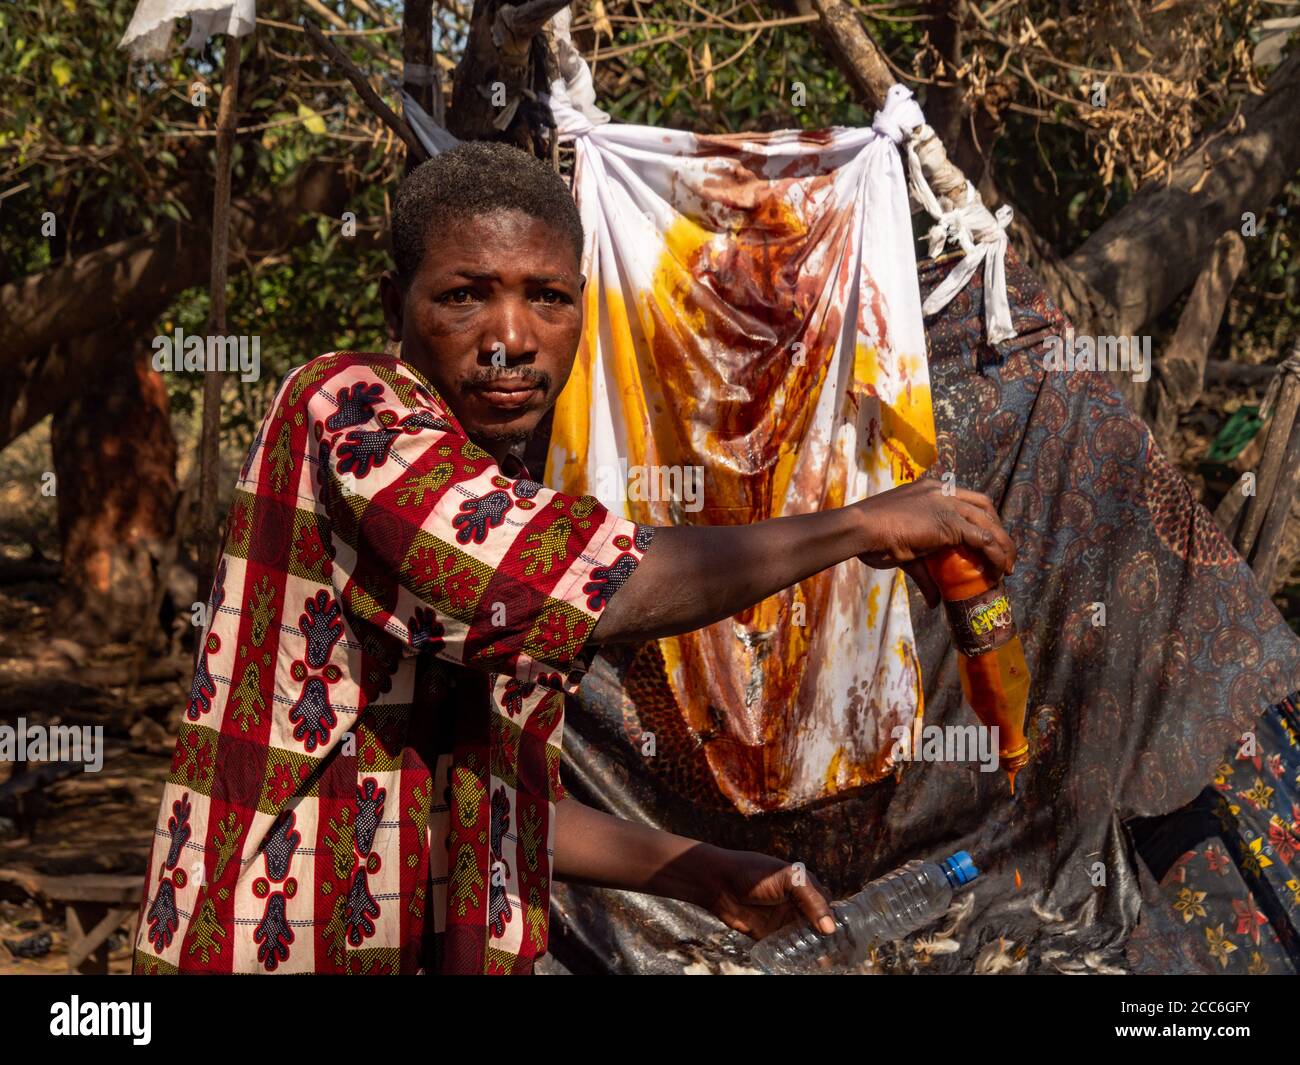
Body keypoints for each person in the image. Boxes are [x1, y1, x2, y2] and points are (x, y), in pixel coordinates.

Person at [132, 140, 1015, 975]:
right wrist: (858, 527)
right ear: (394, 304)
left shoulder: (501, 487)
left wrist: (708, 874)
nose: (510, 337)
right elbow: (606, 585)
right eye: (465, 296)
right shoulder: (352, 413)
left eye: (548, 298)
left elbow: (510, 799)